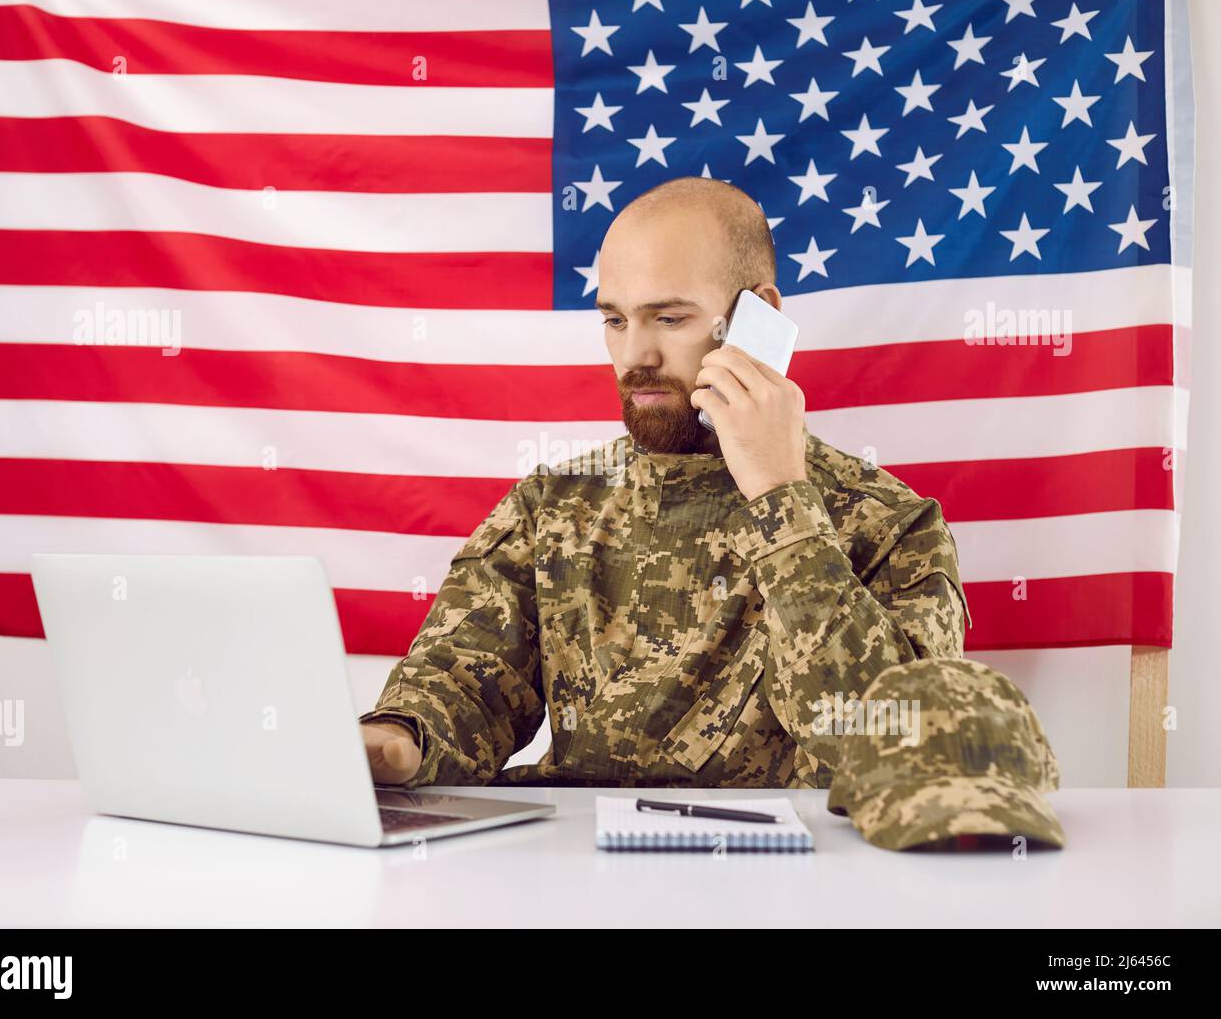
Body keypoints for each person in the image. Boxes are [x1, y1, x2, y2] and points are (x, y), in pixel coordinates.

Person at [359, 176, 969, 788]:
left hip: (788, 877)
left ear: (759, 317)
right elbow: (464, 681)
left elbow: (894, 754)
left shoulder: (889, 522)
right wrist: (398, 739)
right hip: (575, 864)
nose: (634, 355)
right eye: (615, 320)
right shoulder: (553, 505)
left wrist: (784, 503)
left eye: (669, 318)